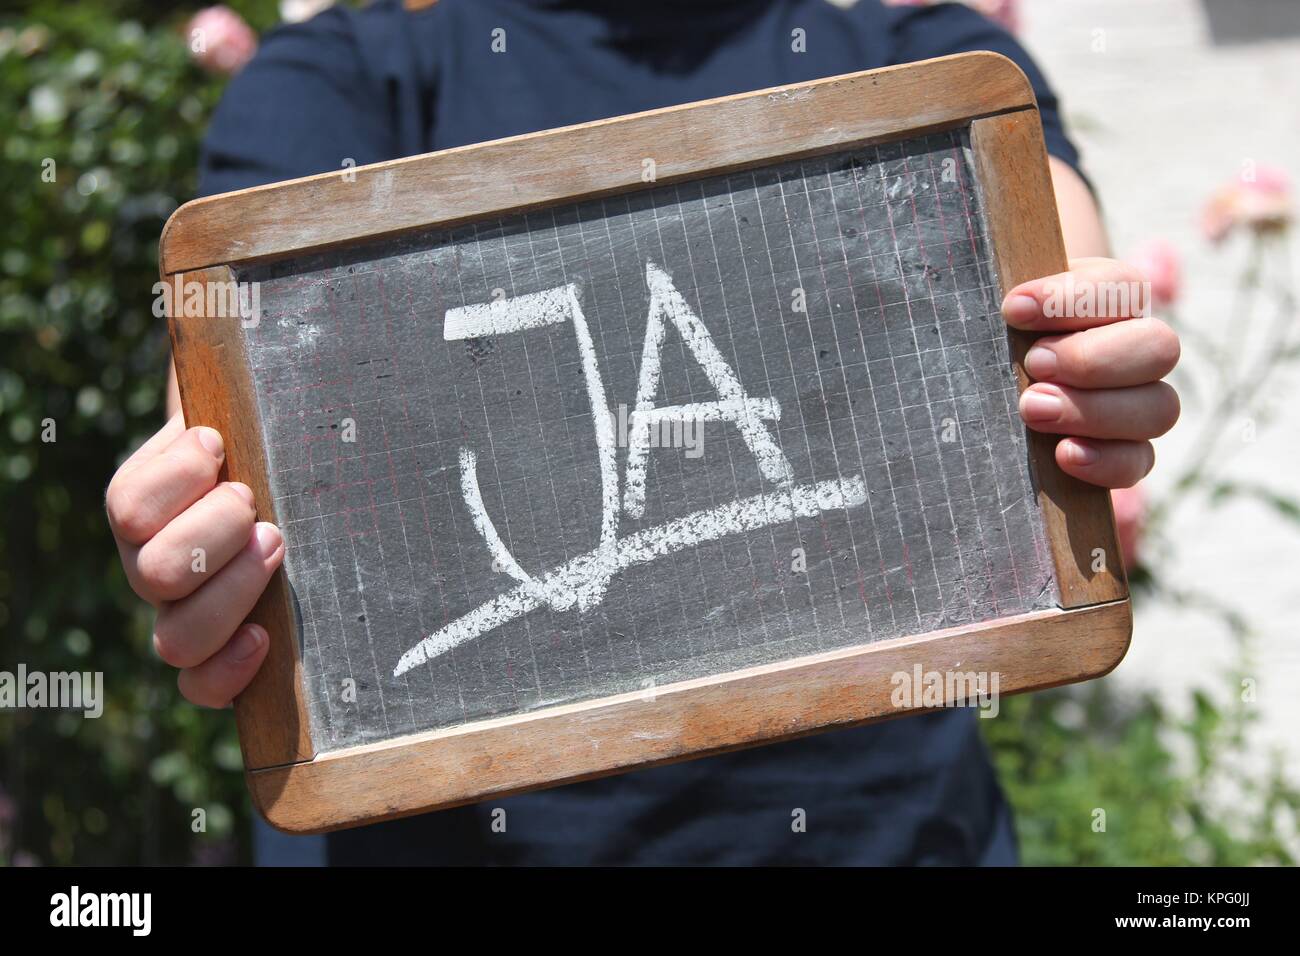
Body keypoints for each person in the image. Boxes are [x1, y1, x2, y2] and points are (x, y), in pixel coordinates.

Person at [106, 0, 1180, 864]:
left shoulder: (925, 63)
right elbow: (240, 402)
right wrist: (204, 540)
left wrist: (1088, 360)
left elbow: (1055, 259)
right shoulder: (343, 85)